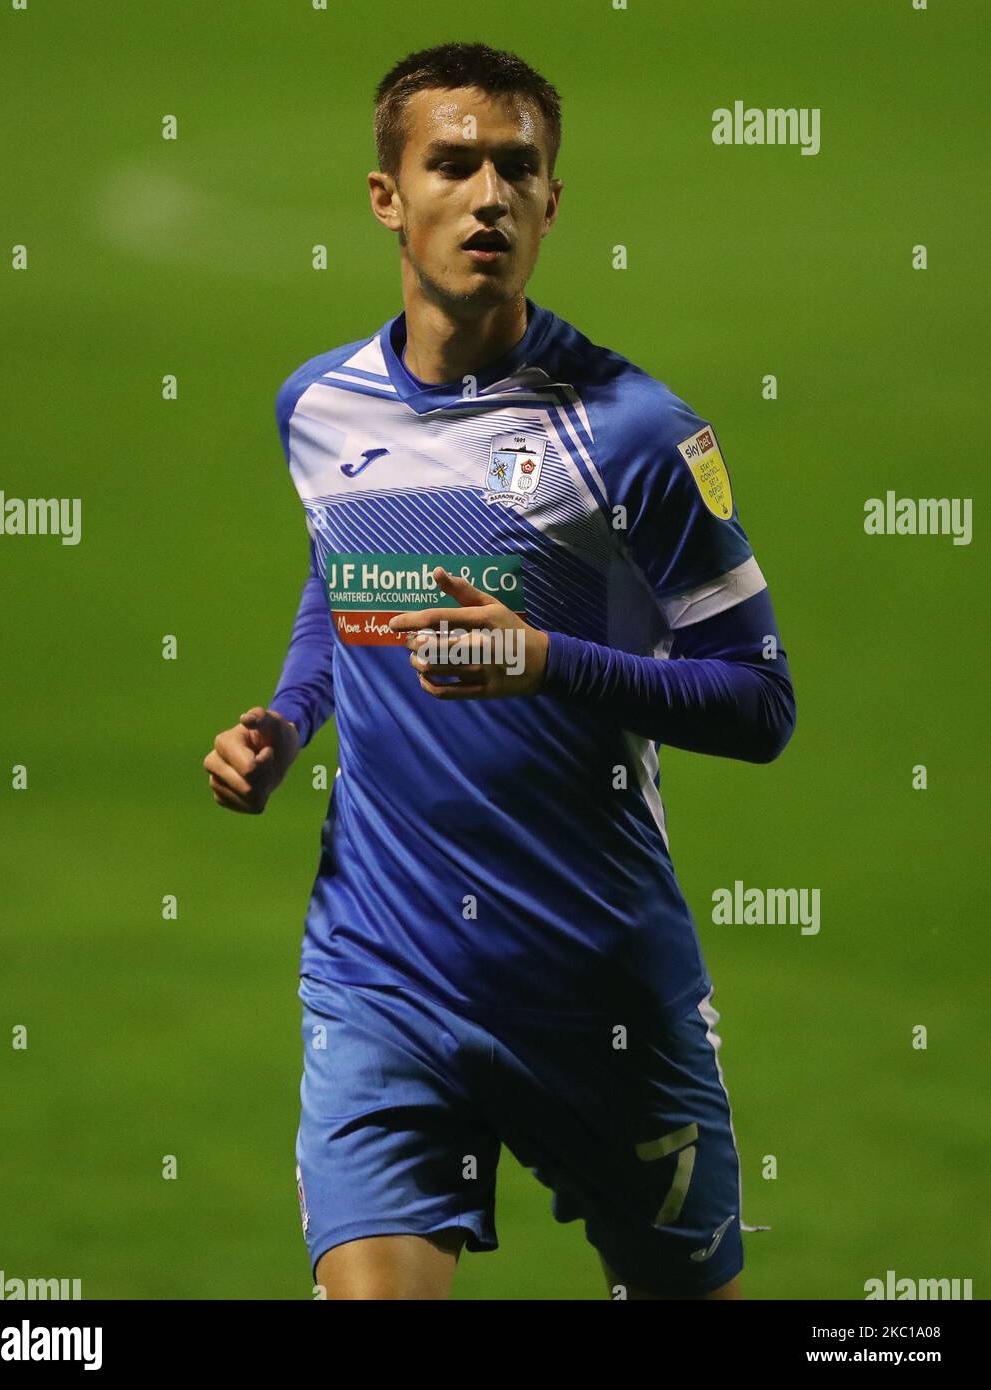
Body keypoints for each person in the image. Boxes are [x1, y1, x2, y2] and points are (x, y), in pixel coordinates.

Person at [203, 41, 796, 1301]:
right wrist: (291, 718)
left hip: (596, 985)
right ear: (385, 196)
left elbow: (759, 705)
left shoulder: (632, 435)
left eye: (516, 169)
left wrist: (548, 663)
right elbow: (342, 575)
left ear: (550, 202)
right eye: (452, 164)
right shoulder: (319, 408)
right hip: (380, 967)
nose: (487, 196)